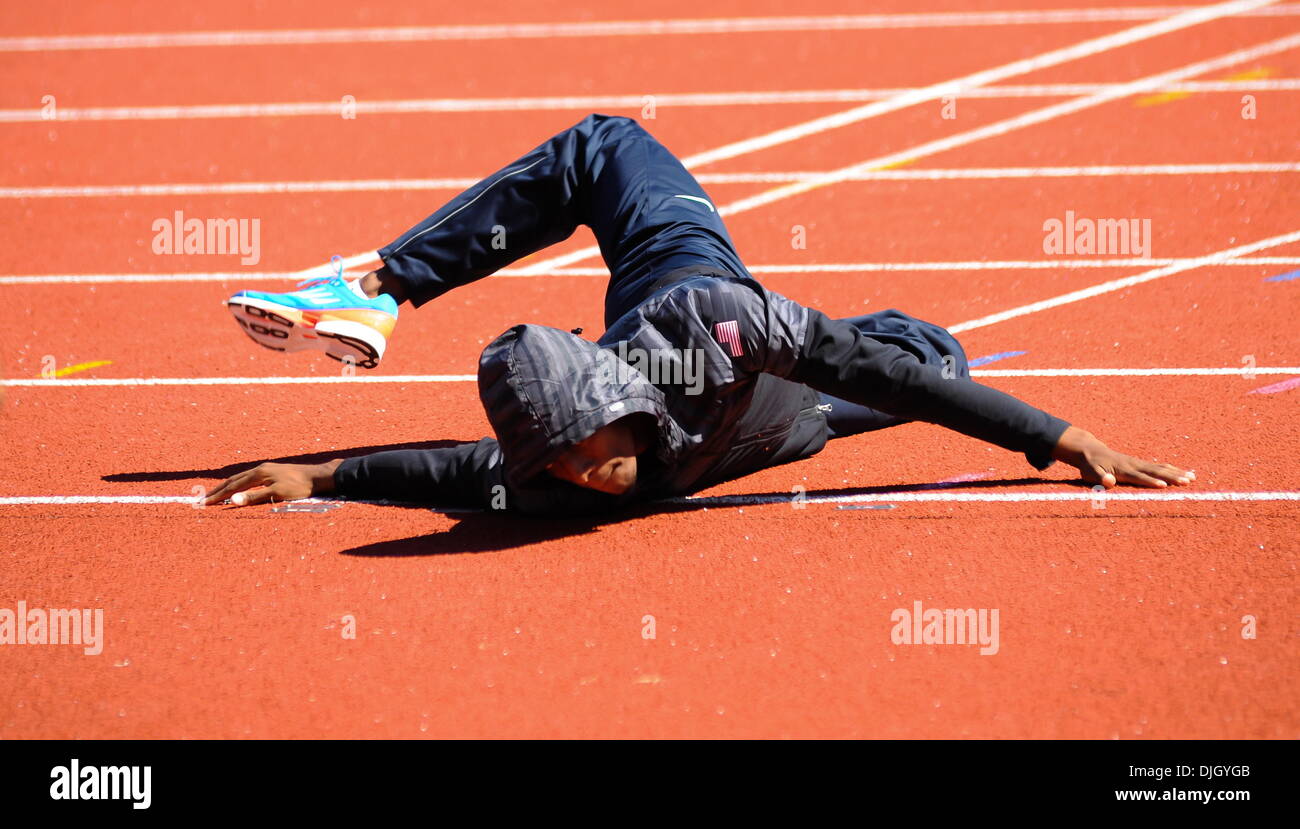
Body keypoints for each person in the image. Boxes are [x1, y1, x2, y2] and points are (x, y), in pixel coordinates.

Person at [205, 114, 1194, 515]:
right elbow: (459, 469)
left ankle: (376, 286)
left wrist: (1058, 439)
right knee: (937, 354)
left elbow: (442, 469)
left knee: (604, 143)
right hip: (793, 411)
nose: (571, 470)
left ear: (607, 395)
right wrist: (317, 476)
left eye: (567, 444)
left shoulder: (709, 323)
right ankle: (377, 290)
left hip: (675, 295)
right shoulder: (562, 474)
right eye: (549, 460)